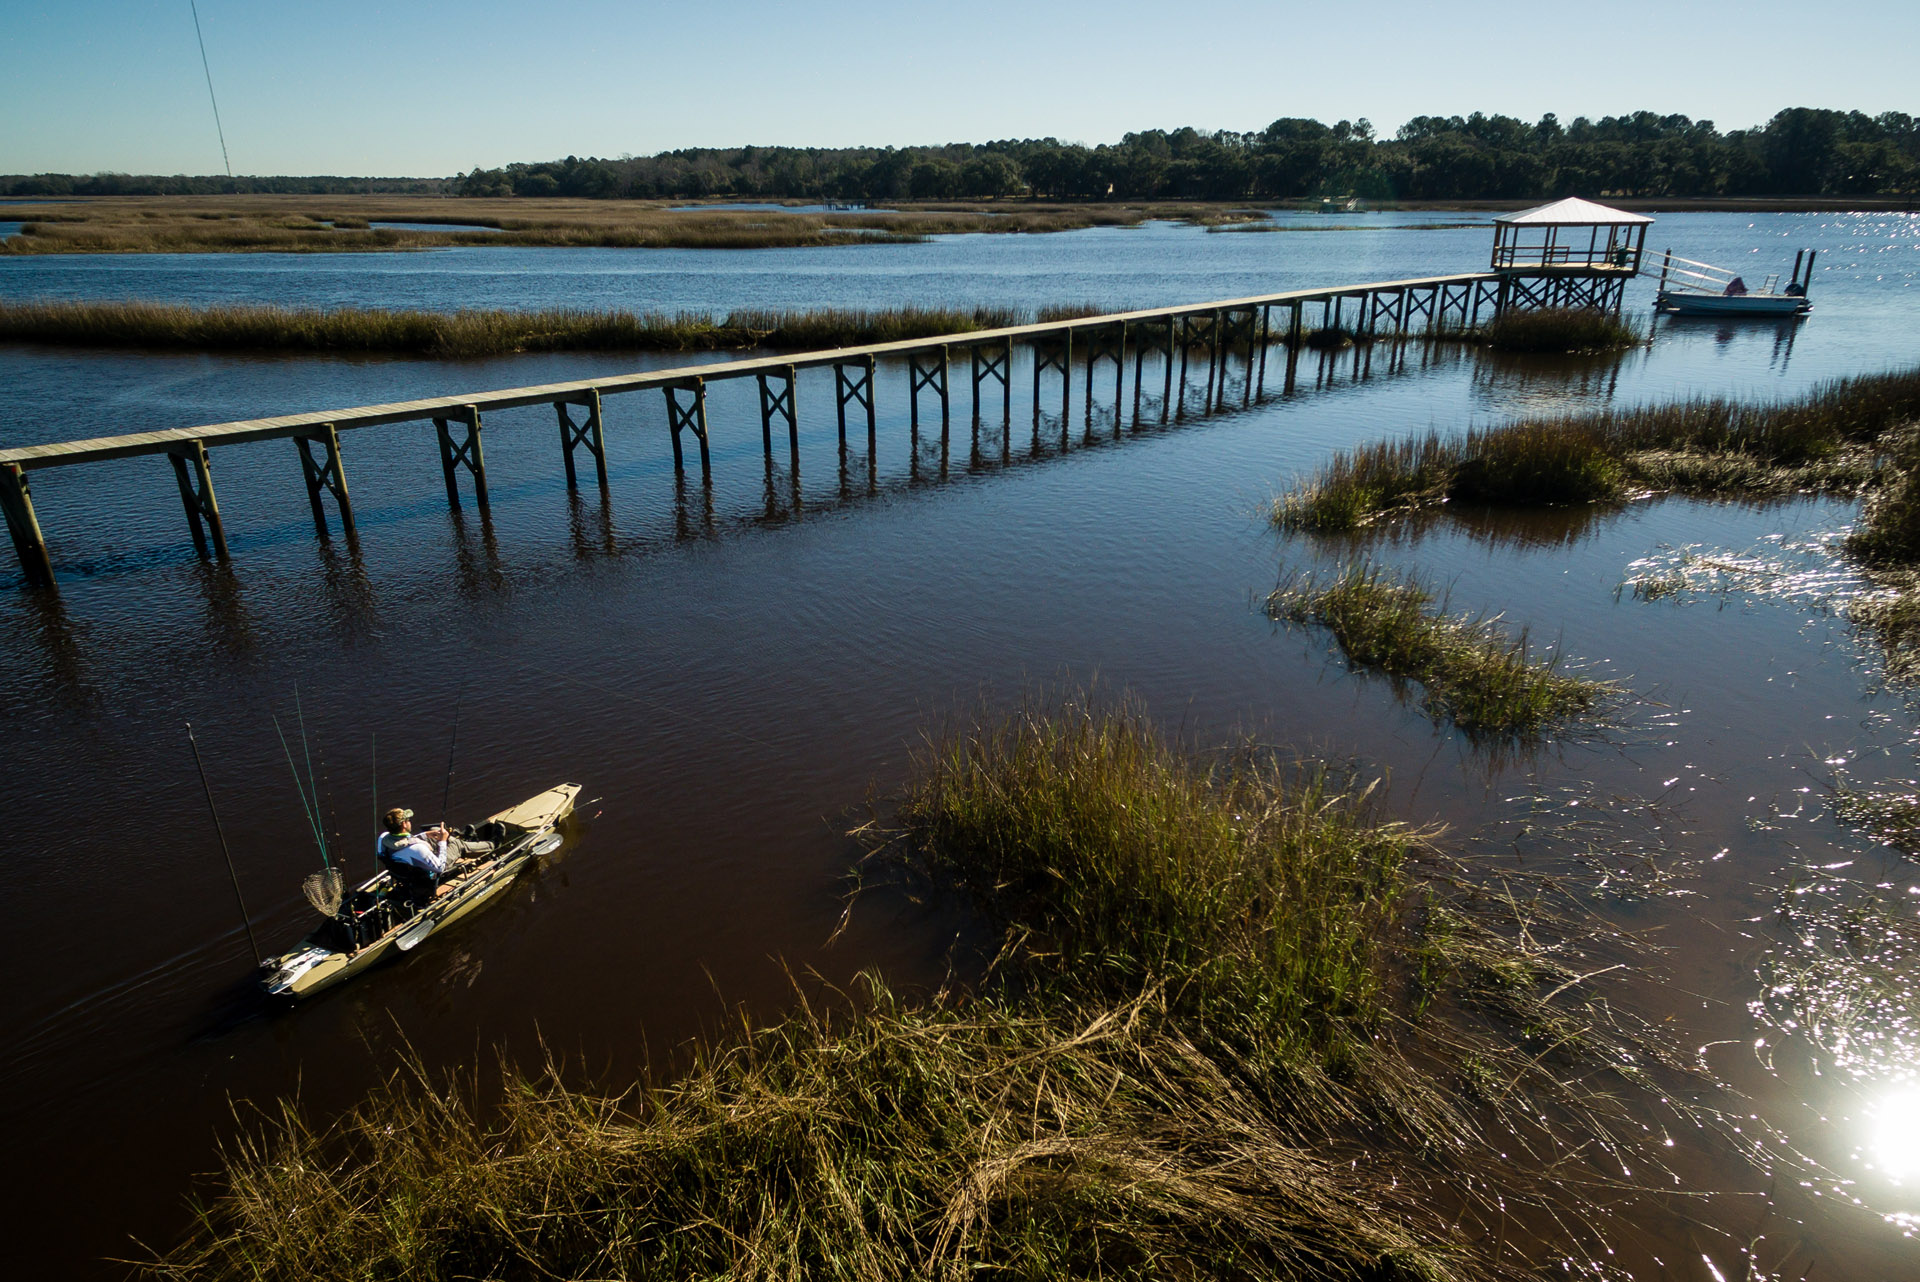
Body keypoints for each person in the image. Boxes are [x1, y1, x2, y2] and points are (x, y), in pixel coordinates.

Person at [378, 807, 492, 899]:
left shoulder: (383, 839)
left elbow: (405, 841)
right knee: (457, 845)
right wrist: (442, 841)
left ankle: (465, 842)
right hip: (429, 876)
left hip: (406, 872)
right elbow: (440, 867)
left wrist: (426, 835)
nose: (409, 822)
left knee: (434, 830)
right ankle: (493, 844)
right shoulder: (417, 849)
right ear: (404, 824)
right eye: (408, 820)